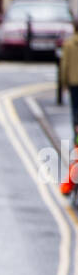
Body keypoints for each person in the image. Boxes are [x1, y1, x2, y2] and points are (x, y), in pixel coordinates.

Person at [59, 19, 78, 196]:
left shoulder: (70, 44)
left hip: (74, 83)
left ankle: (76, 132)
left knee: (75, 112)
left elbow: (64, 65)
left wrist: (63, 83)